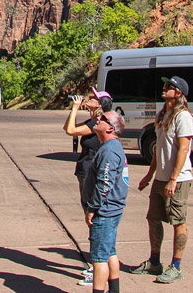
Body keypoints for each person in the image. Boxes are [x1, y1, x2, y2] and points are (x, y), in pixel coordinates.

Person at [131, 75, 193, 284]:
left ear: (179, 94)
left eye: (170, 86)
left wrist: (173, 179)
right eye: (165, 85)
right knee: (153, 219)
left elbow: (184, 148)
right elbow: (159, 149)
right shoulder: (164, 114)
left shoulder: (183, 116)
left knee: (178, 222)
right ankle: (154, 262)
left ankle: (176, 267)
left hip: (179, 179)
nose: (165, 88)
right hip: (161, 178)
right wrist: (150, 175)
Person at [64, 88, 112, 286]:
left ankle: (96, 266)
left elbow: (71, 131)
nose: (87, 99)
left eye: (92, 98)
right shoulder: (93, 121)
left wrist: (75, 107)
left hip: (91, 174)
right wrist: (74, 110)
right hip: (86, 172)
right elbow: (68, 127)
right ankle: (98, 263)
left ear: (99, 105)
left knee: (93, 217)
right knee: (90, 216)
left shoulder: (96, 123)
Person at [80, 110, 128, 293]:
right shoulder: (112, 148)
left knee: (99, 258)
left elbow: (104, 183)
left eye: (102, 119)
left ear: (110, 127)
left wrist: (92, 208)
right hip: (112, 210)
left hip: (104, 212)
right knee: (110, 252)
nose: (97, 119)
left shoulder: (109, 151)